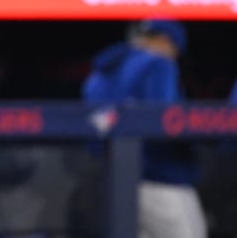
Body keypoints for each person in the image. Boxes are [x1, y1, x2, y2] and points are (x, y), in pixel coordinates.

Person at [82, 19, 206, 238]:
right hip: (163, 179)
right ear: (165, 41)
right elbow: (167, 124)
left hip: (114, 183)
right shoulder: (158, 63)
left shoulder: (98, 75)